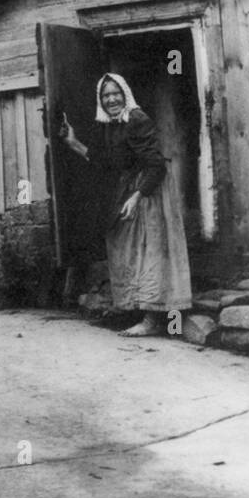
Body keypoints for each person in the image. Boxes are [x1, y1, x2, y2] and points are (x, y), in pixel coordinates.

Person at [57, 72, 192, 335]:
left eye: (115, 93)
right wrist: (72, 142)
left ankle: (152, 320)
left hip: (150, 190)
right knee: (124, 244)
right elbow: (104, 162)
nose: (111, 99)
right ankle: (135, 310)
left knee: (149, 249)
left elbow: (155, 164)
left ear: (125, 93)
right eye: (105, 95)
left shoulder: (136, 119)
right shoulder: (110, 125)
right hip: (129, 187)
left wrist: (137, 195)